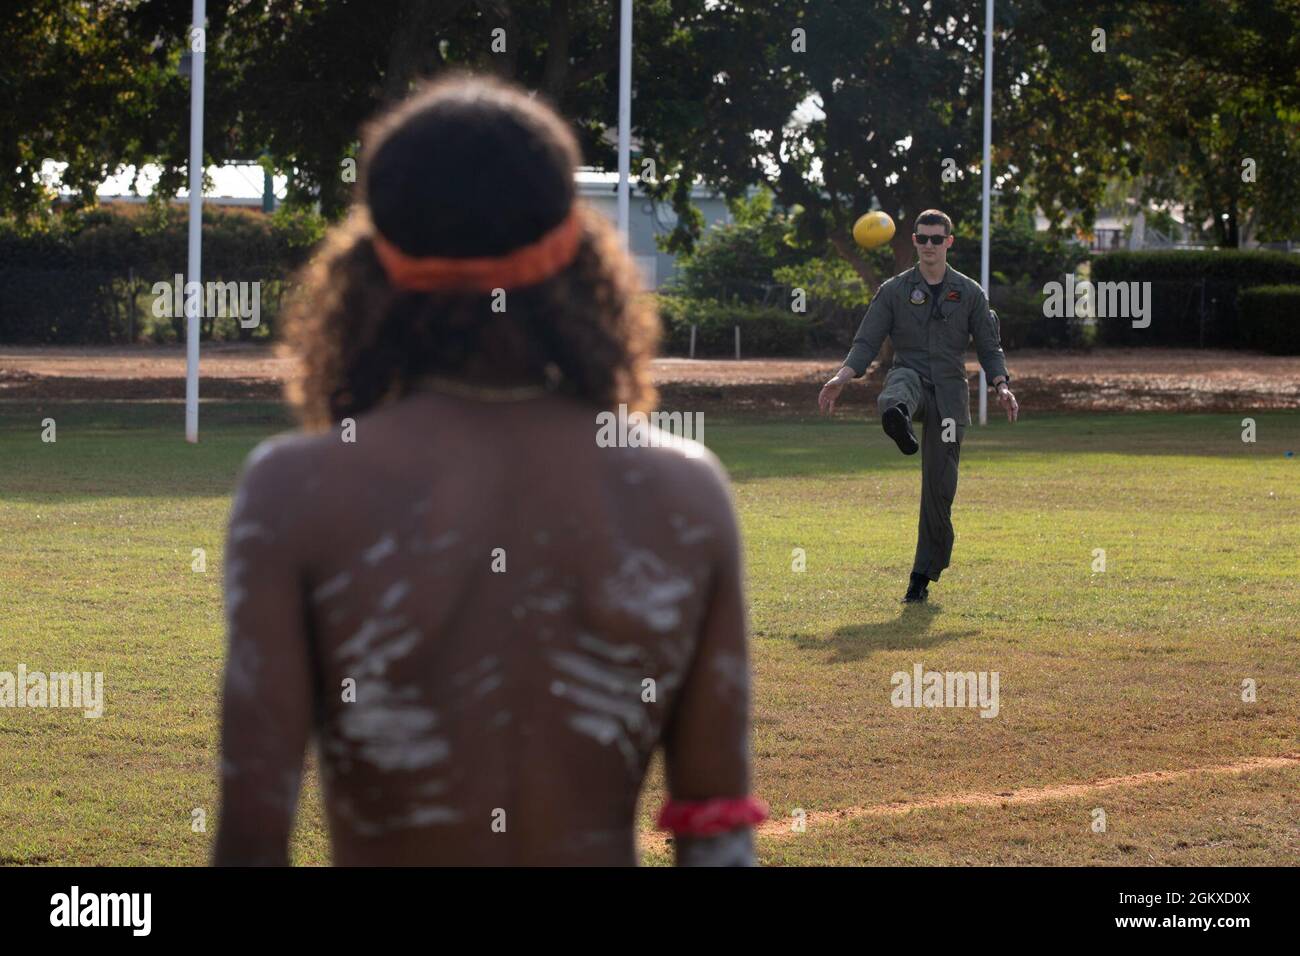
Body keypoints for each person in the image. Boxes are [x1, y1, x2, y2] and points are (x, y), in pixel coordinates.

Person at [213, 73, 765, 866]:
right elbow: (718, 835)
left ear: (372, 261)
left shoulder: (297, 491)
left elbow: (252, 839)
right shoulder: (682, 492)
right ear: (578, 253)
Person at [818, 210, 1019, 603]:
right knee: (899, 386)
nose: (928, 245)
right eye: (922, 238)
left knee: (939, 492)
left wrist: (1001, 386)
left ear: (949, 242)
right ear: (913, 241)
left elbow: (990, 347)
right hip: (910, 377)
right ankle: (898, 423)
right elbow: (866, 341)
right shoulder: (894, 290)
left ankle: (922, 576)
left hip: (949, 395)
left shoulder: (970, 292)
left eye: (936, 238)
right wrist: (841, 378)